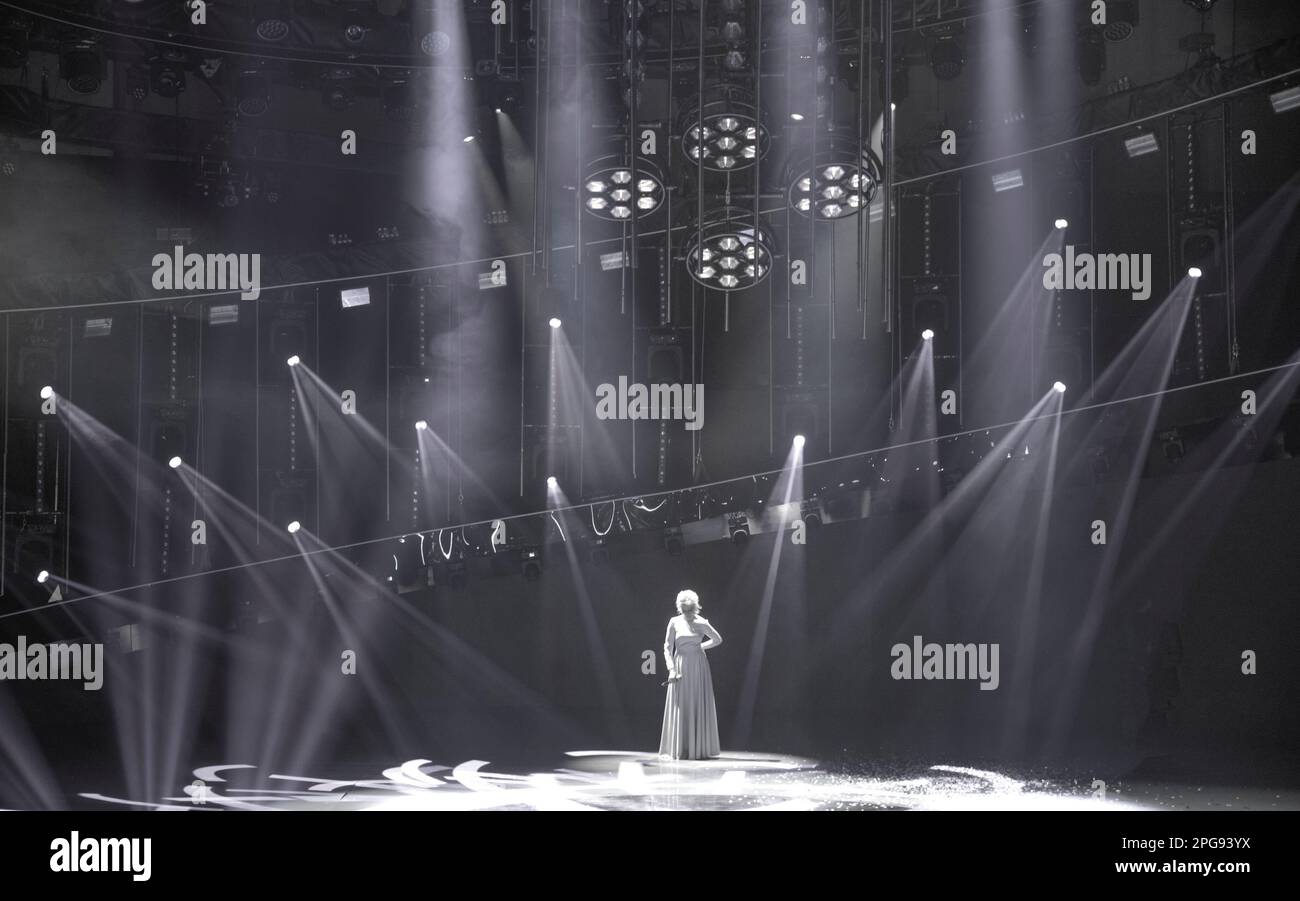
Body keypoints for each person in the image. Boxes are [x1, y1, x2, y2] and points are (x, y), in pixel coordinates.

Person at [658, 589, 722, 760]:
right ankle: (681, 748)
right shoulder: (674, 621)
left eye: (689, 610)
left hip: (698, 666)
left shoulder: (702, 622)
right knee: (681, 704)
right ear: (679, 608)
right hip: (680, 666)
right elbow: (667, 647)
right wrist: (671, 668)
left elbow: (718, 639)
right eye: (683, 609)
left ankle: (697, 748)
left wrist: (700, 647)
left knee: (695, 701)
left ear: (695, 608)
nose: (686, 613)